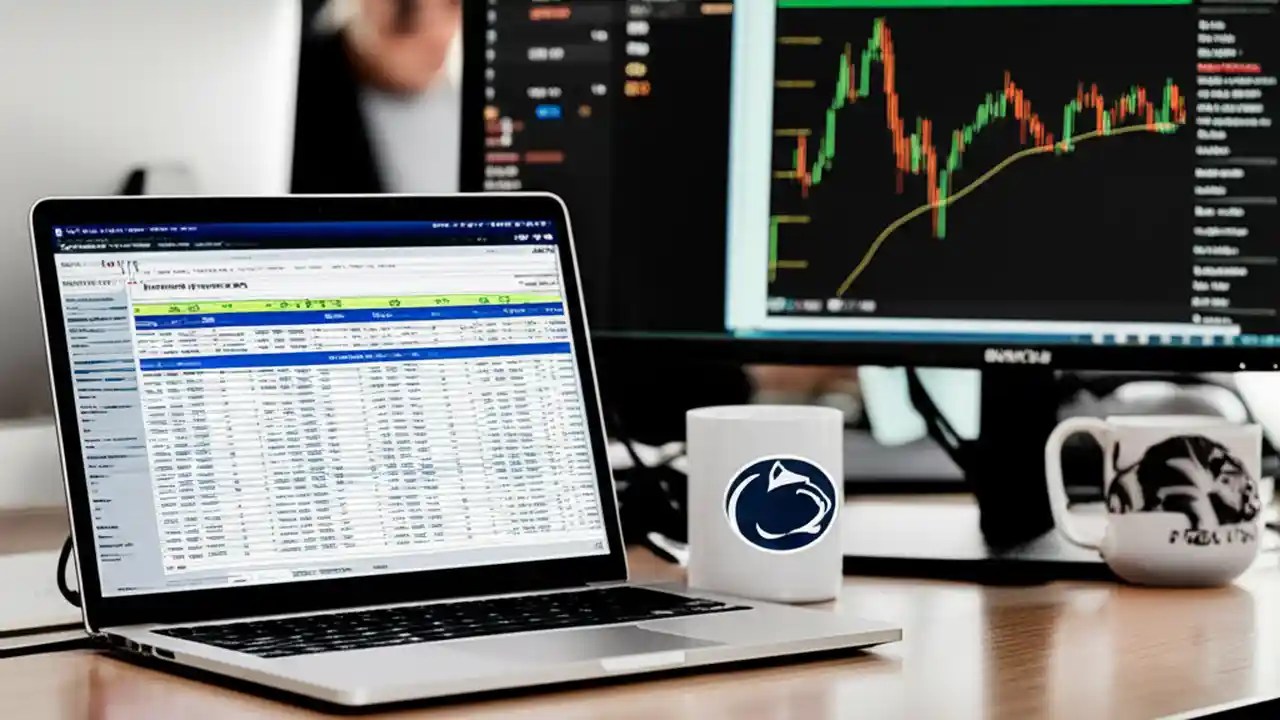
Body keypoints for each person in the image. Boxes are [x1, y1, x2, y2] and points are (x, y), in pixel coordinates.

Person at [293, 0, 462, 194]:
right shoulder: (288, 87)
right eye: (407, 7)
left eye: (453, 3)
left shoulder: (468, 101)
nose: (437, 32)